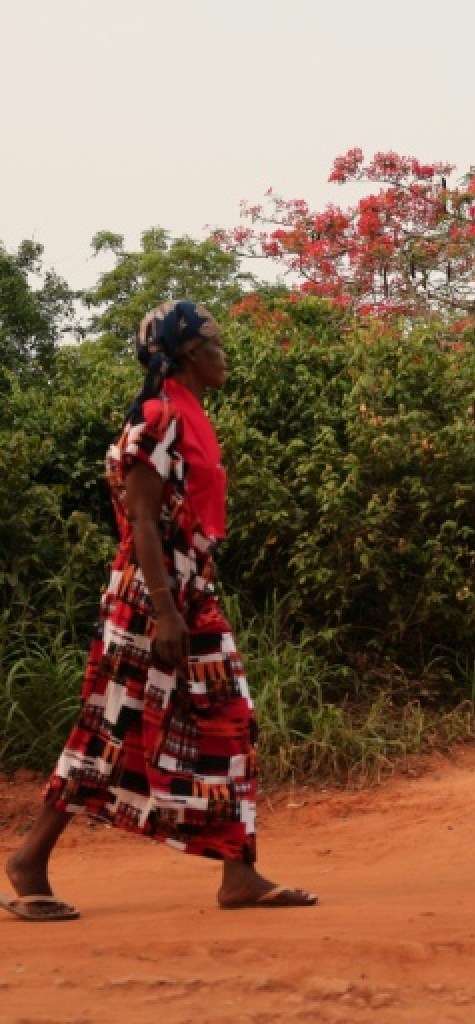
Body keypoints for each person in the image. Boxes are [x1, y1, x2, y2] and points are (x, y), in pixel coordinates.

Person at [2, 300, 316, 920]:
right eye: (217, 344)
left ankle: (238, 873)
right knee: (109, 728)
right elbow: (143, 520)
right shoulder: (159, 418)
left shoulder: (186, 416)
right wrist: (167, 612)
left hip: (184, 590)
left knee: (227, 720)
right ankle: (29, 859)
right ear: (191, 354)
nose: (226, 355)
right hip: (152, 598)